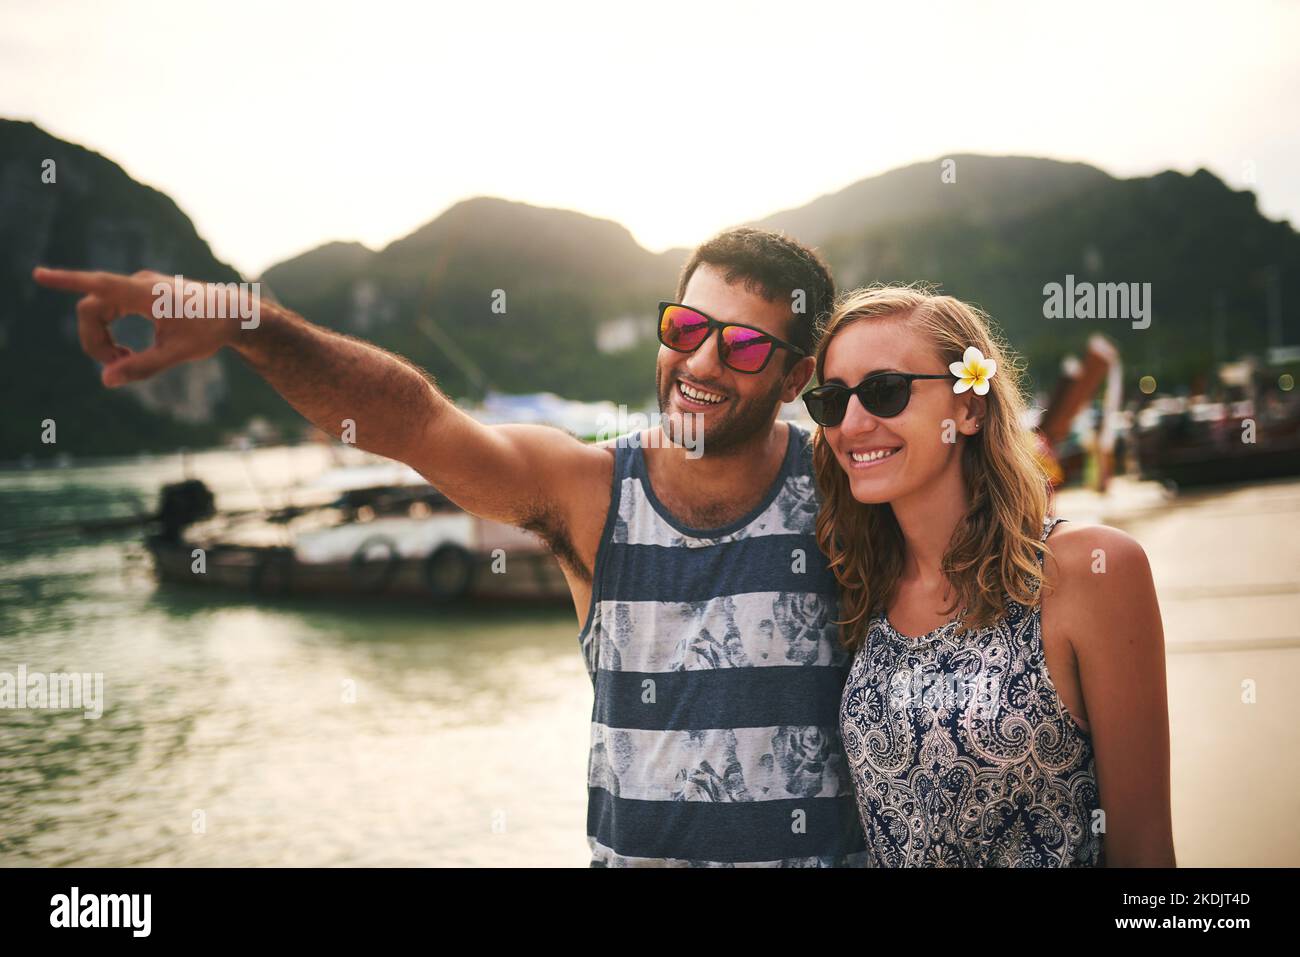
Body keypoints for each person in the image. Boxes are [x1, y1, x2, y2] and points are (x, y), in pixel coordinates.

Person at [33, 227, 867, 867]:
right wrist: (249, 324)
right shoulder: (591, 491)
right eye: (687, 325)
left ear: (795, 380)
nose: (701, 360)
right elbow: (418, 421)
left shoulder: (849, 490)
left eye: (746, 344)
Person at [803, 285, 1175, 866]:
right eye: (831, 400)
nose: (851, 423)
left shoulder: (1090, 572)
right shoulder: (861, 590)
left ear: (969, 409)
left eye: (884, 391)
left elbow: (1146, 851)